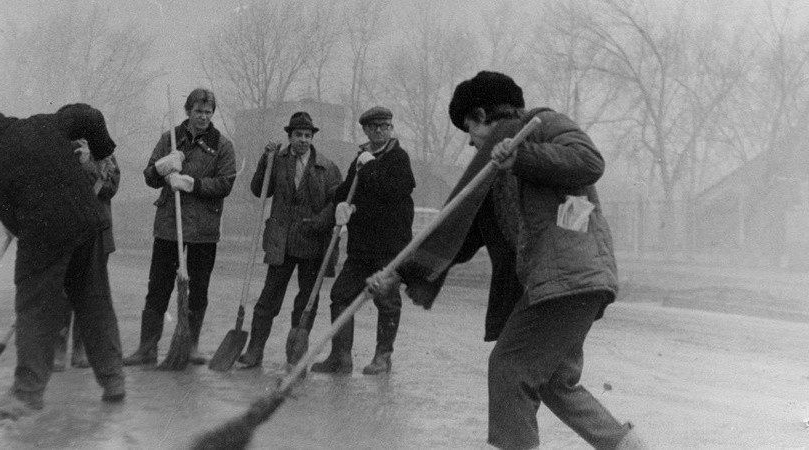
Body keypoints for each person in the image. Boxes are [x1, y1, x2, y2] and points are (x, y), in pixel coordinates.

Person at [371, 71, 647, 450]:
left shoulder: (544, 124)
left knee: (509, 368)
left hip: (570, 276)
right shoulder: (495, 167)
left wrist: (521, 156)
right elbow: (460, 233)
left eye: (470, 128)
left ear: (483, 114)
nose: (470, 142)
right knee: (555, 383)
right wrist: (399, 272)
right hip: (558, 283)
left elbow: (588, 161)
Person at [0, 103, 125, 410]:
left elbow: (12, 223)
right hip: (88, 222)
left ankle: (28, 390)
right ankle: (113, 380)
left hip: (43, 236)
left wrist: (28, 227)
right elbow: (90, 115)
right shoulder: (46, 123)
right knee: (94, 301)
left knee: (34, 310)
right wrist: (102, 152)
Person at [123, 88, 236, 368]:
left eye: (208, 112)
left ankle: (191, 346)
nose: (203, 117)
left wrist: (192, 184)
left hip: (203, 228)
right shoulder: (170, 139)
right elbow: (149, 177)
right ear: (188, 111)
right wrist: (163, 167)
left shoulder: (222, 145)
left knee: (198, 289)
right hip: (169, 225)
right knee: (158, 286)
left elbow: (226, 183)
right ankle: (146, 348)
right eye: (198, 111)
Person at [311, 105, 415, 376]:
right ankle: (341, 357)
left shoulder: (398, 159)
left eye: (385, 126)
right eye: (374, 127)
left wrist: (369, 167)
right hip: (361, 246)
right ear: (366, 130)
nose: (379, 131)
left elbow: (391, 193)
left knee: (386, 299)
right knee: (341, 295)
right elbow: (348, 190)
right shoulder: (361, 158)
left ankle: (383, 357)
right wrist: (342, 205)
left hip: (389, 247)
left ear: (391, 128)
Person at [237, 111, 343, 368]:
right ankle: (254, 351)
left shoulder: (327, 167)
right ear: (290, 136)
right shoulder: (277, 161)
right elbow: (258, 189)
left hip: (313, 242)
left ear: (312, 138)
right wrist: (265, 161)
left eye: (307, 135)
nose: (303, 140)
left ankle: (295, 355)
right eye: (298, 135)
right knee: (268, 299)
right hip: (281, 241)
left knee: (306, 301)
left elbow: (337, 201)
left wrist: (320, 222)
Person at [53, 103, 122, 371]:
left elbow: (111, 187)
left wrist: (88, 164)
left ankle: (81, 351)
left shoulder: (105, 156)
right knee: (61, 294)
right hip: (66, 234)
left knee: (89, 295)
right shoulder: (58, 151)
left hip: (96, 235)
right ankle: (58, 350)